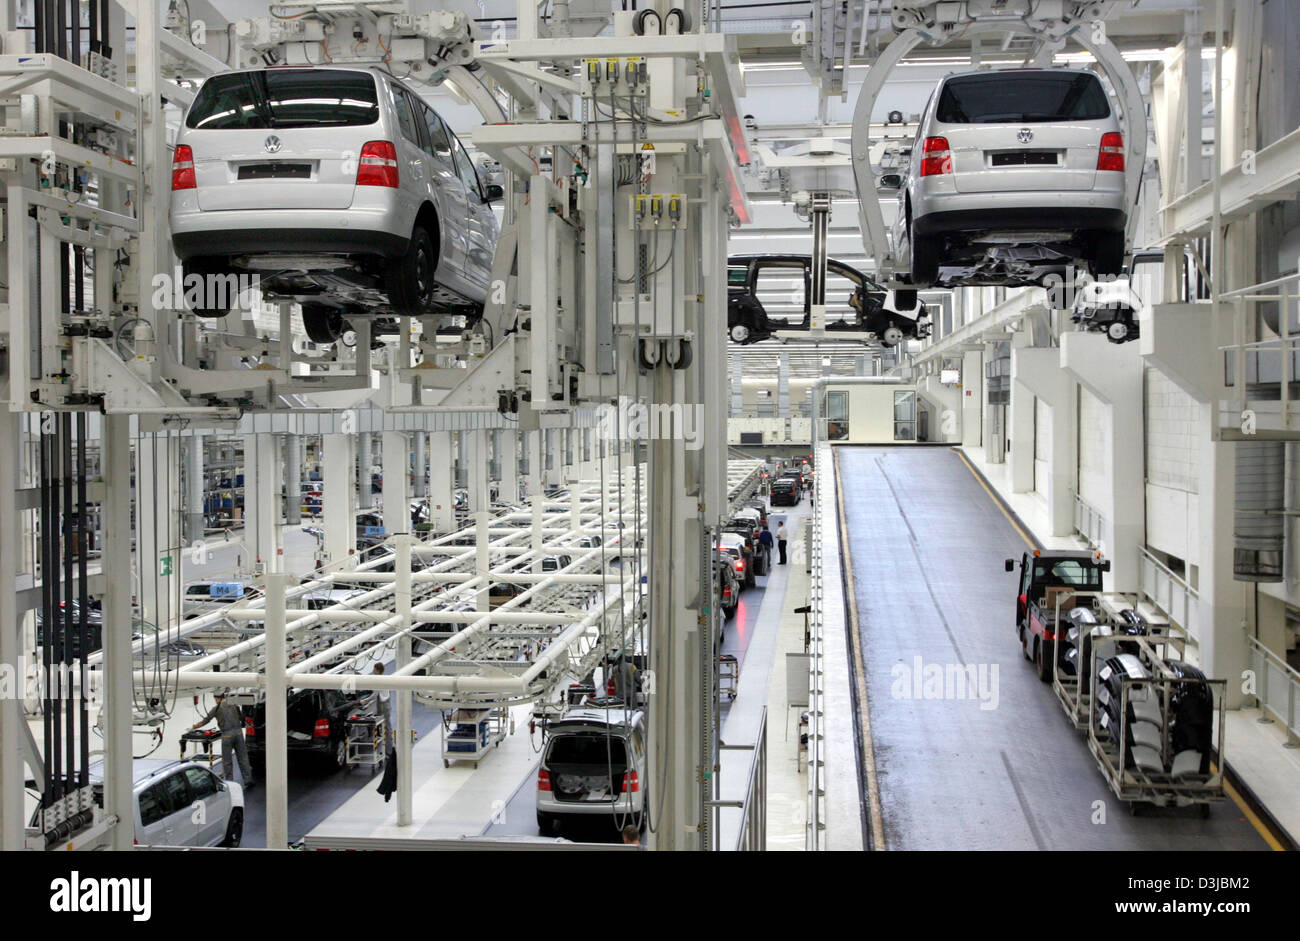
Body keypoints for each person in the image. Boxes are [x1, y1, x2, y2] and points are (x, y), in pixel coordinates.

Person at [191, 691, 255, 790]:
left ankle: (230, 784)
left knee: (227, 762)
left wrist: (194, 726)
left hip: (227, 735)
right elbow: (245, 710)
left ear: (217, 698)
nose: (215, 701)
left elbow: (206, 720)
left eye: (215, 699)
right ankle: (248, 780)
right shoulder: (233, 702)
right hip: (238, 733)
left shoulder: (216, 708)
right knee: (243, 758)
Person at [372, 662, 392, 750]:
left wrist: (364, 701)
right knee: (384, 726)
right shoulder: (383, 678)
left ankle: (388, 750)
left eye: (374, 669)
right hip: (386, 704)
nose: (372, 670)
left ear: (377, 670)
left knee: (386, 727)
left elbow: (375, 694)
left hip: (383, 705)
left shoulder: (378, 680)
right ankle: (386, 747)